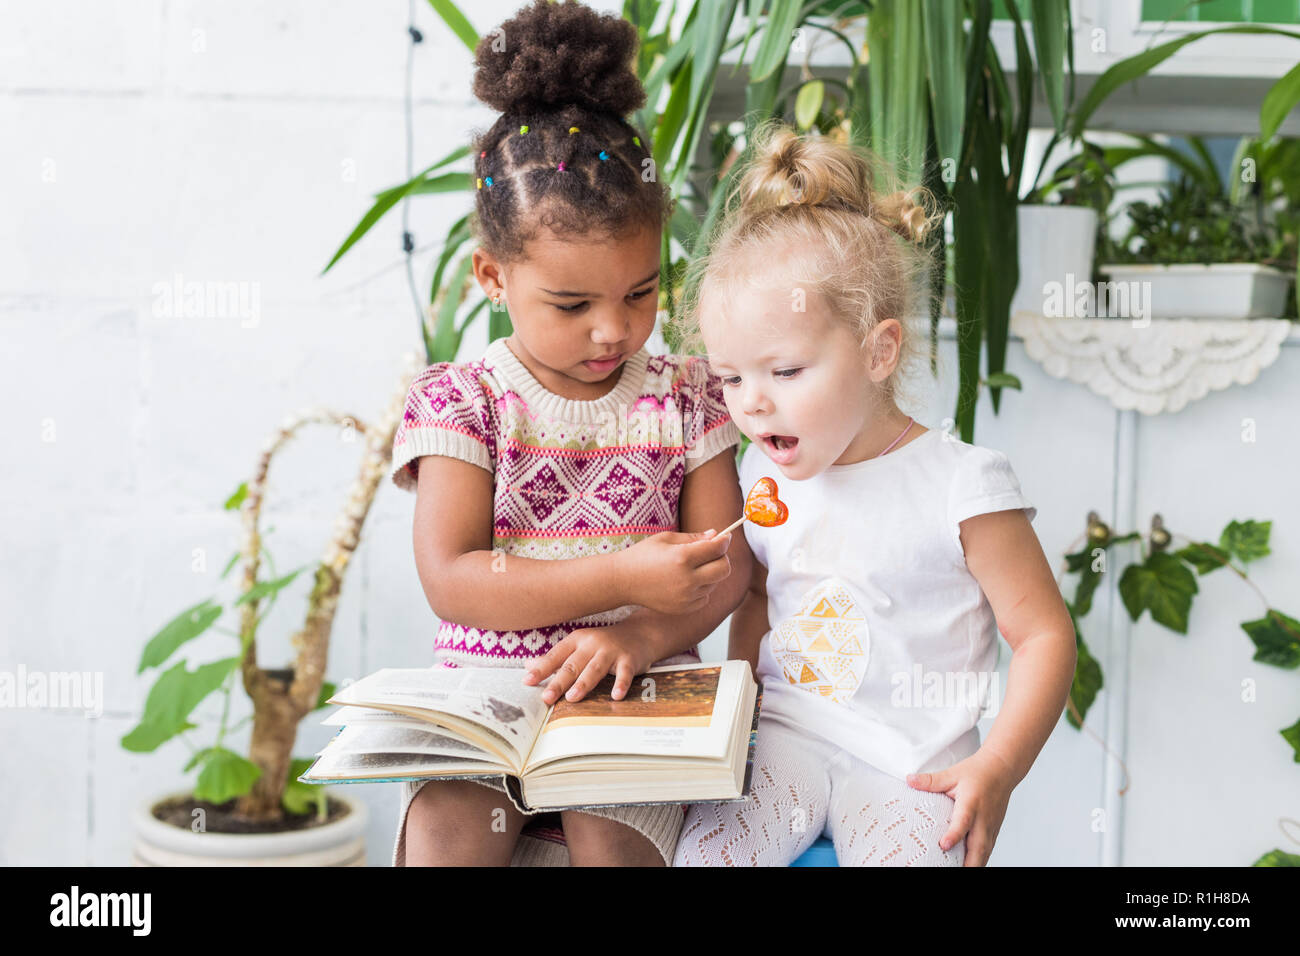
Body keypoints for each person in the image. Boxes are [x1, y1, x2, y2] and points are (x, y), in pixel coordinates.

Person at [387, 0, 751, 867]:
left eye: (639, 292)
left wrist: (640, 633)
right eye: (571, 304)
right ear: (492, 276)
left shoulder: (688, 398)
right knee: (445, 833)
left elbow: (727, 559)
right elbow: (453, 579)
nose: (611, 331)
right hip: (486, 697)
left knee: (607, 829)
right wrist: (623, 575)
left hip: (635, 686)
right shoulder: (461, 401)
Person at [669, 120, 1077, 867]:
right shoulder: (765, 485)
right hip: (785, 746)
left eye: (785, 372)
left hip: (911, 766)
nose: (751, 403)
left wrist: (1000, 768)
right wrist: (737, 714)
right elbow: (759, 594)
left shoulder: (962, 485)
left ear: (878, 350)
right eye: (731, 377)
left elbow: (1045, 636)